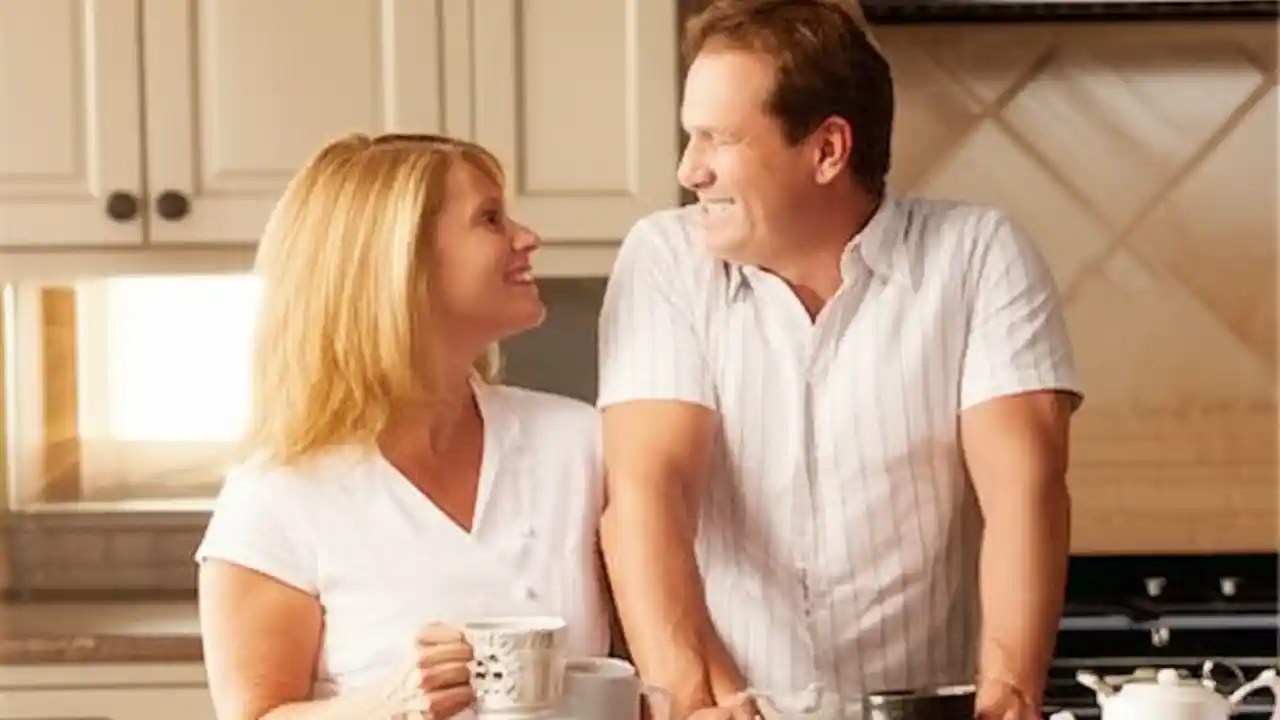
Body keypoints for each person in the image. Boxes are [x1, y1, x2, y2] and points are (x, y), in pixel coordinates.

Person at [596, 1, 1083, 719]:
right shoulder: (665, 259)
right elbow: (647, 498)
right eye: (689, 136)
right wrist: (701, 703)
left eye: (718, 139)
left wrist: (1009, 693)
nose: (689, 168)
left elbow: (1025, 493)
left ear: (827, 150)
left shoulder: (978, 257)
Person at [195, 133, 610, 720]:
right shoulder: (277, 493)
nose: (527, 237)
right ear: (402, 262)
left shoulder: (580, 443)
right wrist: (389, 704)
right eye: (490, 219)